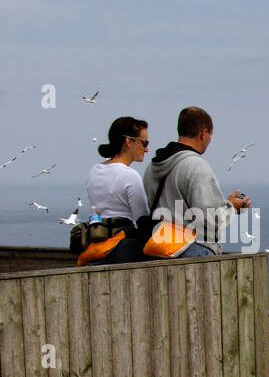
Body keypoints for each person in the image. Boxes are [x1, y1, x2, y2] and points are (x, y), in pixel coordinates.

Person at [143, 106, 251, 258]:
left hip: (159, 250)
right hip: (192, 252)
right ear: (203, 133)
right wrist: (232, 207)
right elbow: (210, 219)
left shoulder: (153, 167)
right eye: (210, 135)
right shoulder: (196, 166)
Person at [77, 116, 151, 265]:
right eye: (144, 143)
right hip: (124, 250)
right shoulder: (129, 176)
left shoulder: (94, 171)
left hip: (97, 246)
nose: (147, 149)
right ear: (129, 141)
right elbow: (141, 220)